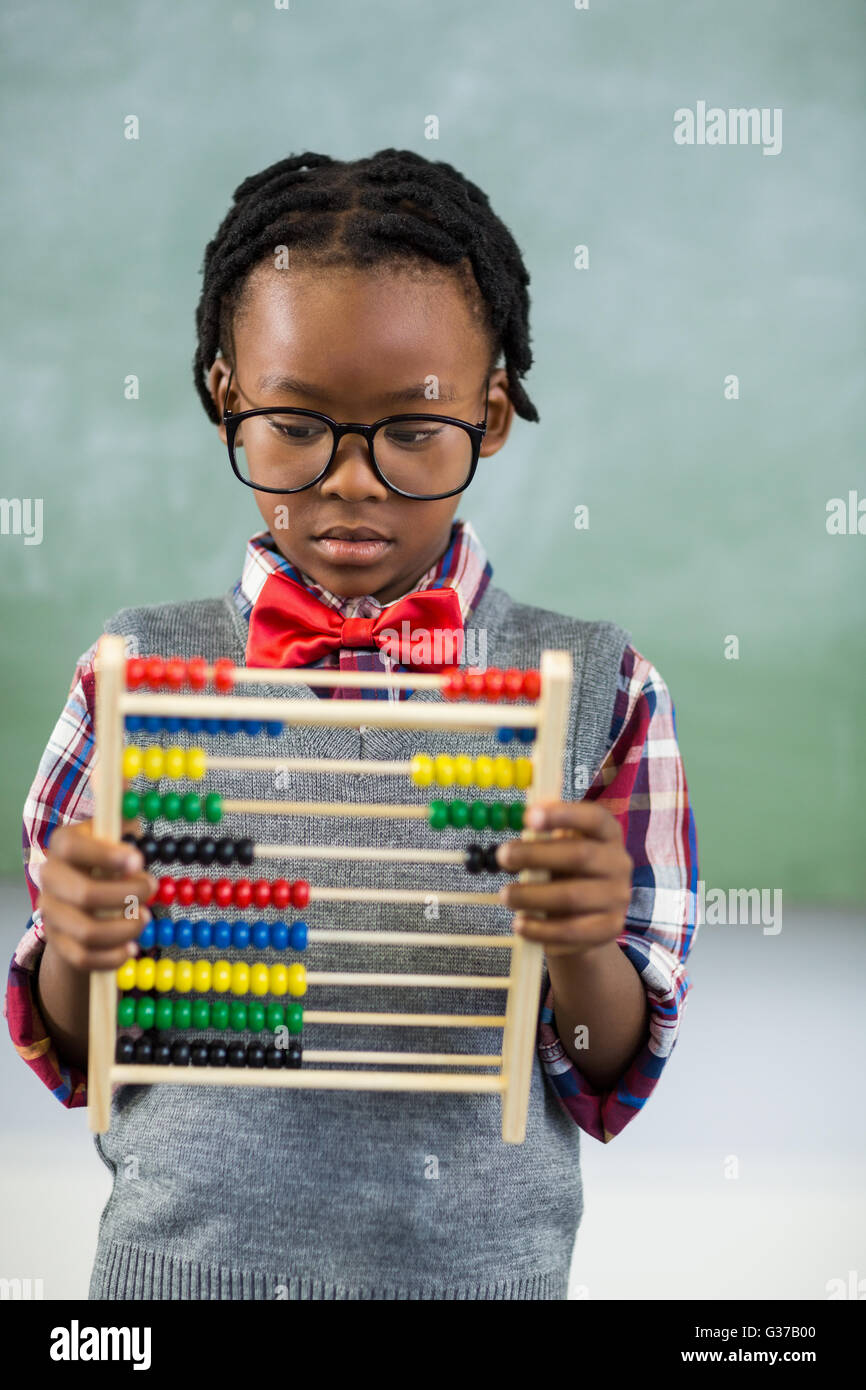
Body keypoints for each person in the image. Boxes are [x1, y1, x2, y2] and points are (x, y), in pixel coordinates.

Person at [5, 149, 698, 1301]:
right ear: (225, 394)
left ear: (490, 415)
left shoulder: (594, 688)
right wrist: (79, 939)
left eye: (412, 433)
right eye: (295, 424)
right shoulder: (136, 676)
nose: (350, 482)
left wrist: (580, 943)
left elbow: (606, 1072)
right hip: (172, 1284)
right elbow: (73, 1049)